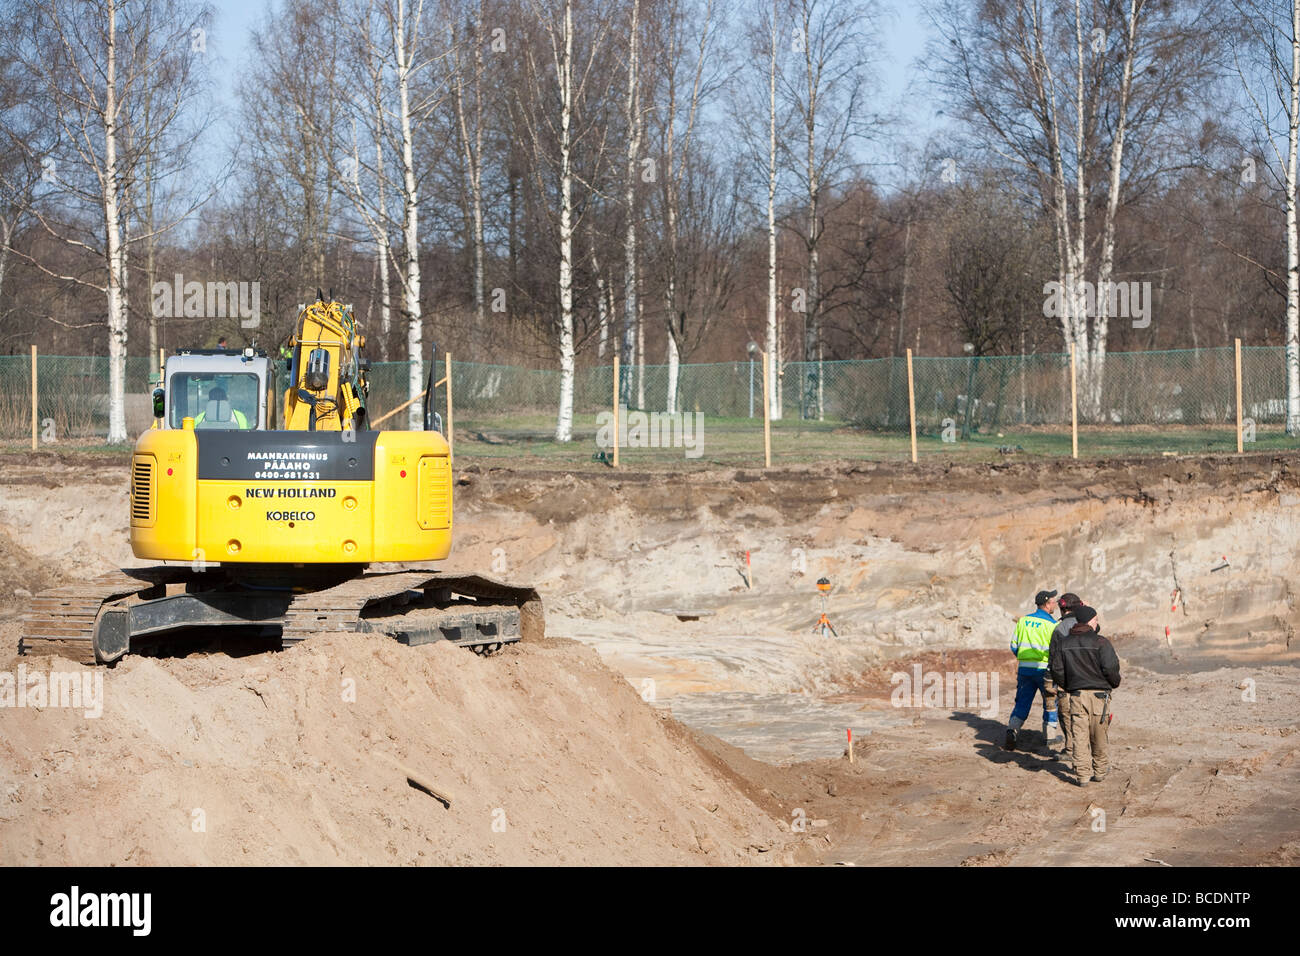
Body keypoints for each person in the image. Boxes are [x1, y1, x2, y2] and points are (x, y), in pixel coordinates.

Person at [1048, 605, 1121, 787]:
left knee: (1078, 736)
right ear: (1089, 621)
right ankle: (1100, 770)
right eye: (1096, 619)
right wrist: (1113, 683)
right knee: (1099, 735)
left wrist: (1068, 685)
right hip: (1098, 696)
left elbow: (1056, 669)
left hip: (1076, 696)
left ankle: (1082, 775)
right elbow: (1111, 668)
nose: (1097, 622)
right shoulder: (1101, 642)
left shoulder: (1065, 643)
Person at [1004, 589, 1061, 752]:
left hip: (1025, 670)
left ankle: (1012, 730)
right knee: (1050, 703)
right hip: (1045, 671)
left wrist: (1024, 659)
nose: (1056, 604)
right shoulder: (1052, 625)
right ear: (1047, 603)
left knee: (1022, 702)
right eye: (1054, 601)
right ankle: (1050, 737)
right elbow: (1056, 651)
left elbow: (1014, 646)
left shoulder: (1023, 621)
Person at [1049, 592, 1084, 757]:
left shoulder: (1059, 629)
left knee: (1067, 715)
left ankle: (1071, 749)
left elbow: (1055, 661)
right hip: (1088, 680)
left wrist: (1058, 683)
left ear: (1062, 608)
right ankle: (1085, 749)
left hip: (1067, 681)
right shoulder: (1087, 624)